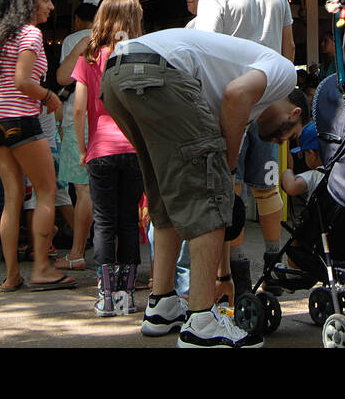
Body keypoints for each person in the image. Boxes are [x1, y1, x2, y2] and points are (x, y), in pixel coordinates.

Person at [99, 28, 301, 348]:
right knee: (211, 192)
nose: (280, 142)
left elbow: (230, 103)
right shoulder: (285, 74)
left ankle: (162, 305)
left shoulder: (243, 96)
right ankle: (202, 321)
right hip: (160, 72)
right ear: (295, 112)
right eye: (289, 135)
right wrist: (227, 172)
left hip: (116, 74)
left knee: (169, 195)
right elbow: (236, 94)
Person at [188, 0, 295, 298]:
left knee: (226, 188)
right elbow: (288, 48)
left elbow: (202, 52)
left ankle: (232, 275)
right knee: (267, 186)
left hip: (225, 108)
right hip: (267, 104)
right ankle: (273, 263)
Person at [0, 0, 77, 292]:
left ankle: (12, 275)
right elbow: (23, 81)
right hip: (20, 119)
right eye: (46, 0)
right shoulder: (31, 34)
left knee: (12, 197)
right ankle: (41, 269)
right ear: (30, 3)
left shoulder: (1, 33)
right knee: (46, 190)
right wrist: (49, 97)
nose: (51, 6)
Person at [73, 0, 148, 317]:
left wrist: (81, 148)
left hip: (100, 150)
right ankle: (126, 296)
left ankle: (105, 296)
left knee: (104, 223)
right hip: (133, 149)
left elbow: (78, 109)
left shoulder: (88, 59)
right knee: (129, 221)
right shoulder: (140, 57)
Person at [52, 3, 97, 269]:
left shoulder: (75, 39)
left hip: (78, 119)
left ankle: (78, 252)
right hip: (109, 119)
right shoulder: (121, 39)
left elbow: (63, 78)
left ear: (78, 19)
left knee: (83, 190)